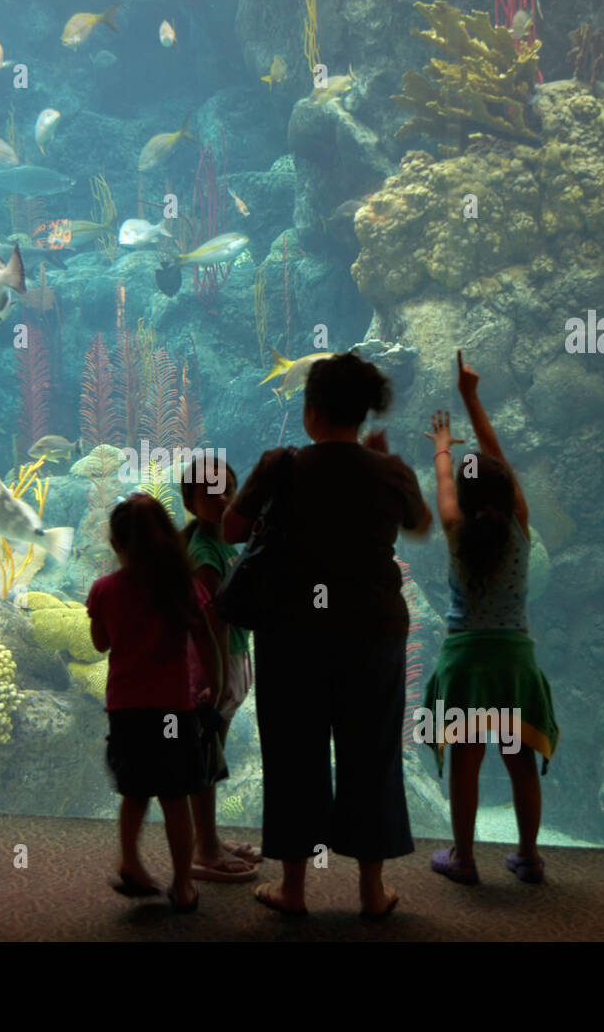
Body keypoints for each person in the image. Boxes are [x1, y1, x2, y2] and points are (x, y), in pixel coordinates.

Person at [223, 351, 433, 919]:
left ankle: (293, 888)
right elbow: (420, 525)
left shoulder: (281, 465)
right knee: (372, 752)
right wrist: (384, 465)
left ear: (312, 412)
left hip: (293, 634)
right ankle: (371, 891)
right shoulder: (388, 470)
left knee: (294, 753)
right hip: (373, 631)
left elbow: (231, 528)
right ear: (362, 415)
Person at [422, 350, 559, 886]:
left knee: (466, 759)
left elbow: (446, 487)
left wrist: (441, 447)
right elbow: (496, 460)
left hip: (465, 659)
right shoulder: (520, 526)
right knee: (519, 758)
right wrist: (472, 397)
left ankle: (463, 857)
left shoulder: (456, 530)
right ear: (508, 494)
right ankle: (528, 856)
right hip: (513, 659)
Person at [87, 492, 222, 913]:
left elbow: (100, 643)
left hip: (127, 712)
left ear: (116, 545)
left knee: (134, 793)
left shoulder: (105, 590)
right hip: (172, 713)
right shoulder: (184, 587)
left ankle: (131, 861)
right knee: (176, 797)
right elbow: (207, 640)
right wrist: (214, 686)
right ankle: (183, 885)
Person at [180, 456, 262, 883]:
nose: (222, 498)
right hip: (214, 671)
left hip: (230, 661)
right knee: (205, 758)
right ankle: (206, 850)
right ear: (190, 502)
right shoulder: (205, 556)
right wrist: (213, 683)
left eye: (229, 489)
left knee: (212, 756)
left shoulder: (223, 545)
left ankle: (207, 838)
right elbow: (212, 623)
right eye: (210, 492)